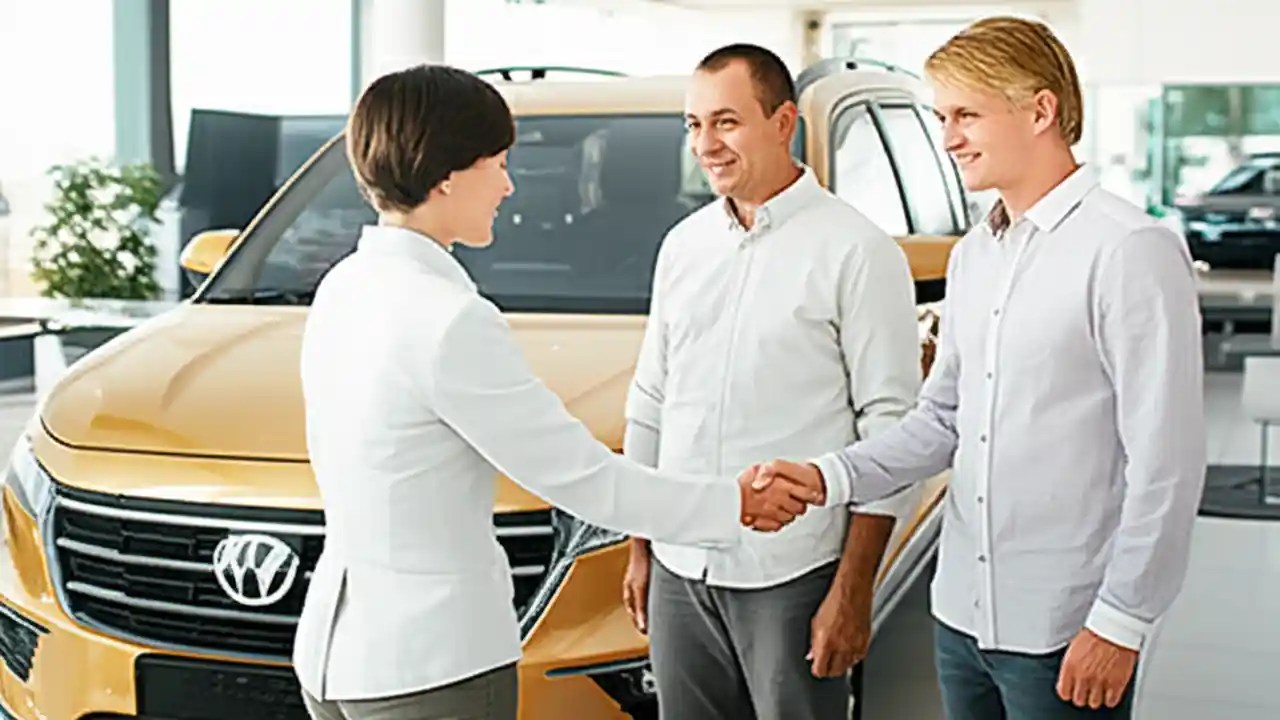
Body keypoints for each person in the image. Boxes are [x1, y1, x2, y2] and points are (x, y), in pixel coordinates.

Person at [292, 64, 826, 720]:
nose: (510, 185)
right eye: (499, 163)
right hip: (429, 665)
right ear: (447, 174)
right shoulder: (448, 319)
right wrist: (735, 504)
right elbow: (582, 479)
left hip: (334, 655)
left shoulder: (344, 287)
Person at [757, 16, 1207, 720]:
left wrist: (1122, 621)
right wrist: (827, 476)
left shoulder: (1129, 250)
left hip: (1066, 627)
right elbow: (941, 421)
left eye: (965, 114)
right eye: (942, 116)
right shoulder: (976, 255)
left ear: (1040, 110)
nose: (947, 137)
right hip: (961, 616)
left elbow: (1167, 463)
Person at [621, 44, 922, 720]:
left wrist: (853, 591)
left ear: (783, 122)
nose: (706, 144)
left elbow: (890, 432)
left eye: (725, 122)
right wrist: (641, 547)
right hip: (679, 566)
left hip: (791, 572)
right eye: (694, 125)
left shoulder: (858, 251)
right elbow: (651, 402)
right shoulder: (684, 247)